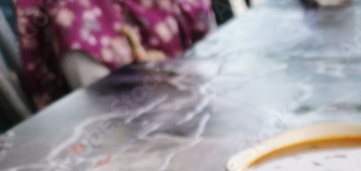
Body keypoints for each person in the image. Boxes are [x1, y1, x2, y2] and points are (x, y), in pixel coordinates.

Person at [15, 0, 215, 110]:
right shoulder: (73, 16)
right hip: (123, 125)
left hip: (200, 94)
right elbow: (108, 107)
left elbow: (213, 53)